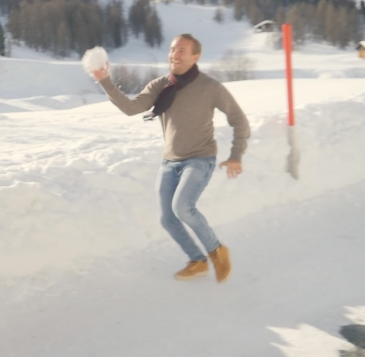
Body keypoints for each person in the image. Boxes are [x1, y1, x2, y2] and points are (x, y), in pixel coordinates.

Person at [90, 34, 250, 283]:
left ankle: (217, 250)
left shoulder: (210, 87)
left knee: (182, 207)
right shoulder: (161, 85)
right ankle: (197, 260)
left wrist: (236, 155)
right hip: (170, 162)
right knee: (167, 218)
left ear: (195, 56)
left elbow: (239, 120)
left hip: (200, 159)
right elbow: (131, 108)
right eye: (173, 49)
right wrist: (105, 81)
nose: (175, 54)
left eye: (182, 50)